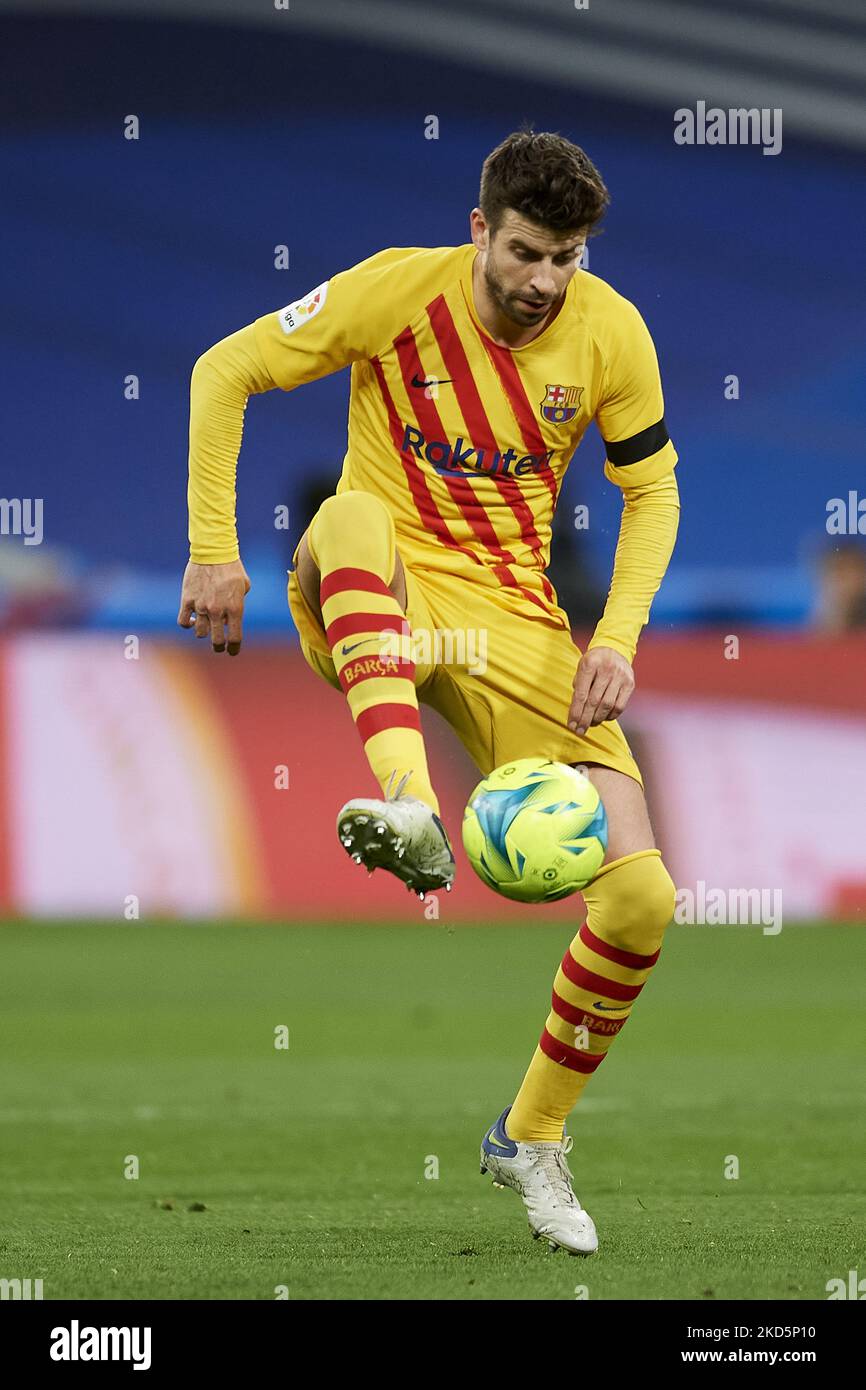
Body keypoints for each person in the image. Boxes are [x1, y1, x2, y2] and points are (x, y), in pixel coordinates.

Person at [178, 129, 680, 1255]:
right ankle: (406, 800)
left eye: (567, 258)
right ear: (477, 232)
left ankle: (529, 1136)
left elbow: (649, 492)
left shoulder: (611, 335)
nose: (544, 281)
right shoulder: (395, 291)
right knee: (350, 515)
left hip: (514, 622)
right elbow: (226, 370)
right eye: (524, 252)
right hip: (376, 588)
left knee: (642, 901)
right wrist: (215, 546)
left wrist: (619, 635)